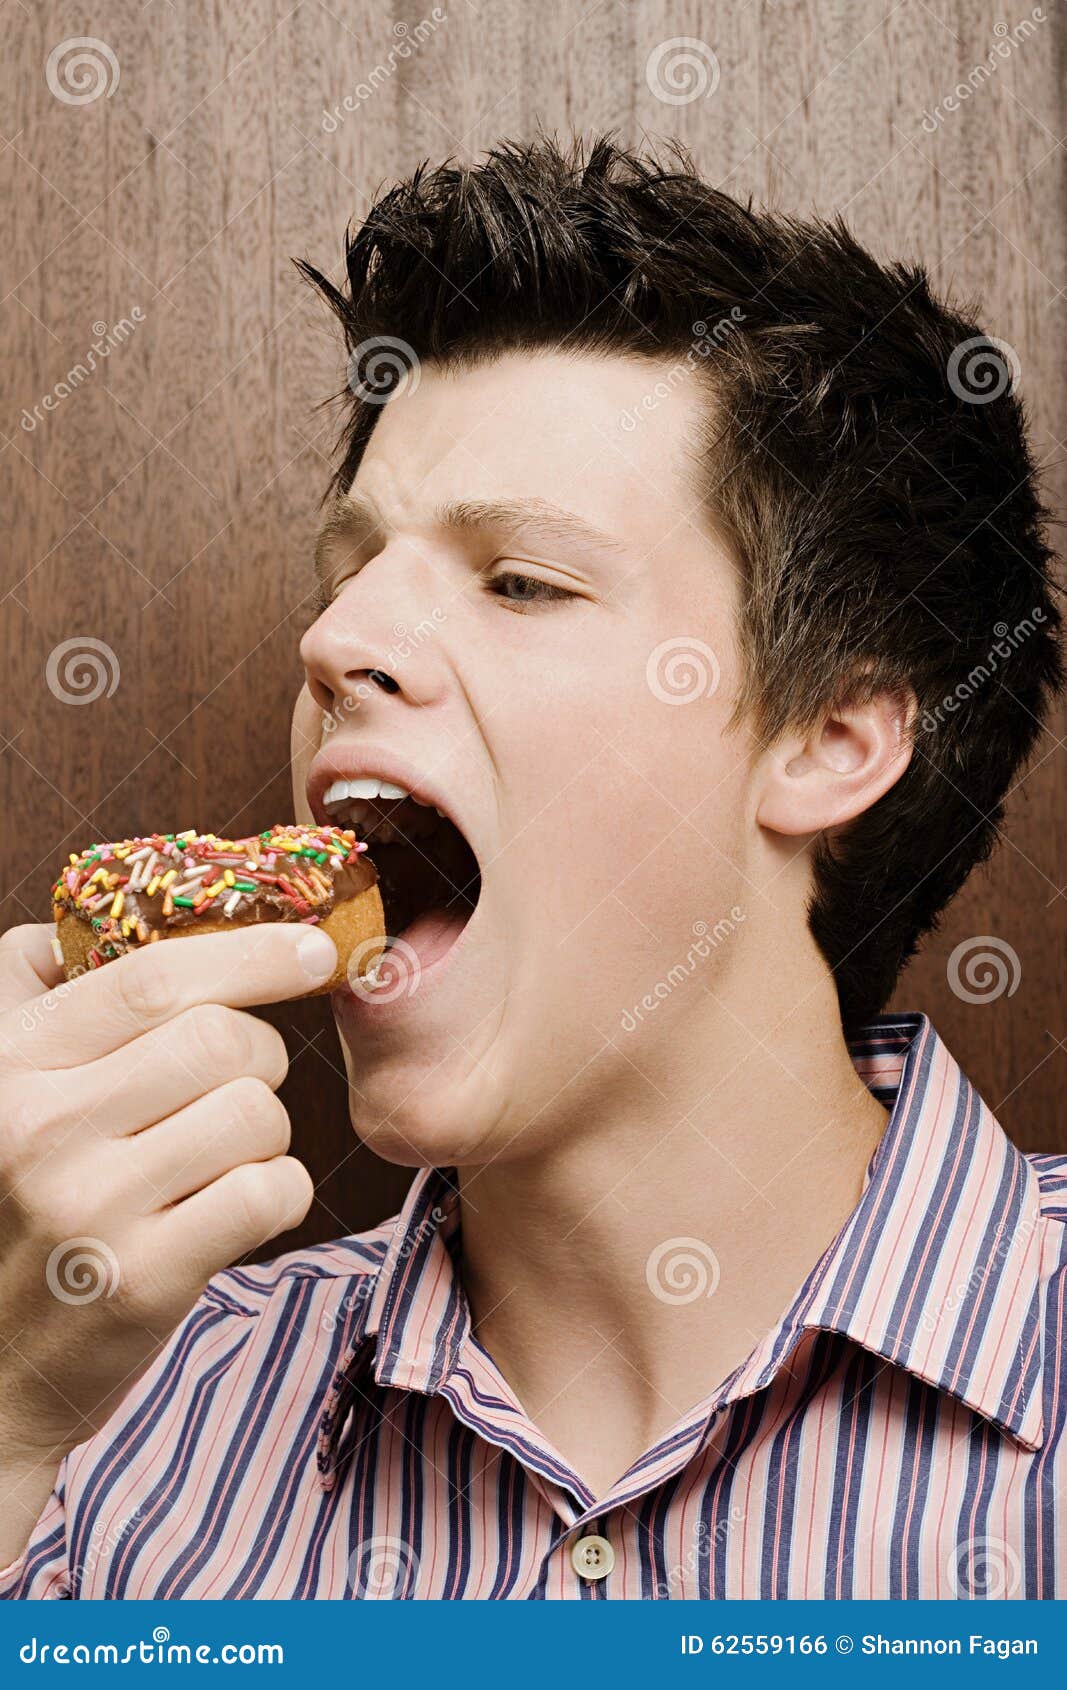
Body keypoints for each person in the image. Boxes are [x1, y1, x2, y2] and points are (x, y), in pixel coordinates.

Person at [1, 135, 1063, 1600]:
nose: (332, 642)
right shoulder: (106, 1428)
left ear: (827, 736)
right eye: (347, 575)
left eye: (518, 580)